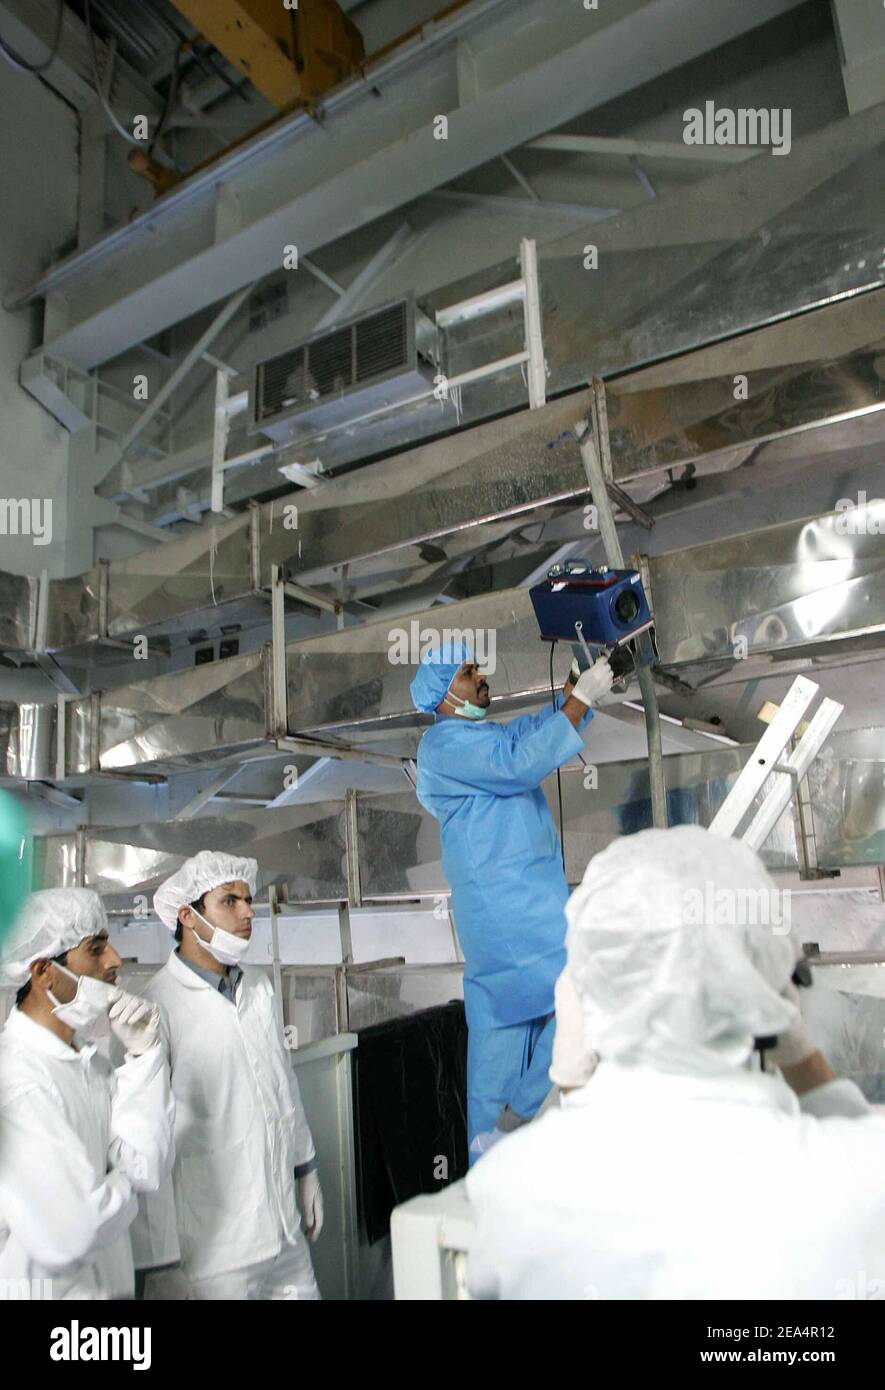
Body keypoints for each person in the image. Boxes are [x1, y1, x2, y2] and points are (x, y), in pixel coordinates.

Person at [466, 826, 885, 1300]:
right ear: (769, 980)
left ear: (586, 985)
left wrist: (574, 1082)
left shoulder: (507, 1189)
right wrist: (801, 1052)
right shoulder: (859, 1178)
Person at [410, 639, 613, 1161]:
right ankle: (514, 1127)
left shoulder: (478, 738)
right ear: (442, 694)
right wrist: (581, 701)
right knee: (579, 997)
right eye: (467, 672)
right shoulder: (442, 745)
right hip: (511, 917)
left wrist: (577, 688)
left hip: (521, 915)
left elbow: (531, 735)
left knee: (504, 1044)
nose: (481, 677)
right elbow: (519, 762)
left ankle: (501, 1141)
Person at [133, 851, 323, 1300]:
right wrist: (158, 1260)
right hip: (216, 1251)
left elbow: (283, 1084)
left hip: (284, 1231)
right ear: (187, 915)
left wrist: (306, 1166)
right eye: (229, 901)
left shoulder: (257, 987)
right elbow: (146, 1139)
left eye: (247, 900)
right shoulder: (157, 1006)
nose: (246, 913)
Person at [0, 888, 173, 1300]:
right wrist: (123, 1183)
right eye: (95, 949)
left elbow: (146, 1165)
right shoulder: (19, 1080)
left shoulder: (88, 1065)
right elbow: (69, 1231)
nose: (114, 960)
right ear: (44, 973)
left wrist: (145, 1057)